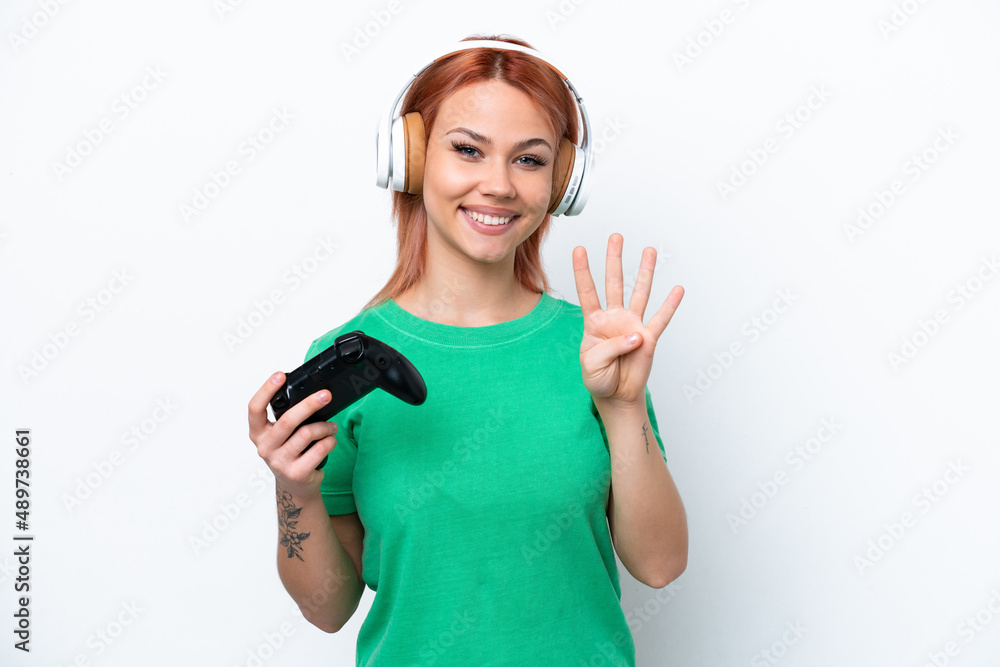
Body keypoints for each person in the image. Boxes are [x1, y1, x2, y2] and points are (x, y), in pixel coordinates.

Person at [248, 33, 688, 666]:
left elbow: (661, 565)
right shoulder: (348, 364)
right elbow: (327, 610)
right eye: (467, 150)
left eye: (530, 160)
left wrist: (623, 408)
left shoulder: (593, 348)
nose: (499, 184)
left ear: (563, 180)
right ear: (412, 159)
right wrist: (295, 493)